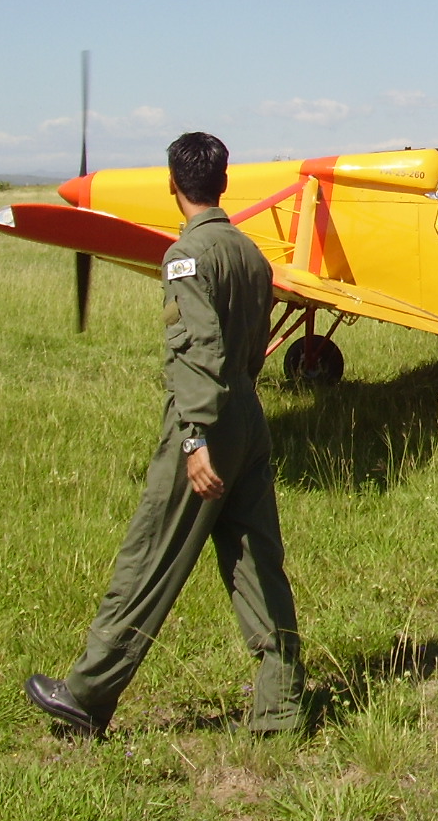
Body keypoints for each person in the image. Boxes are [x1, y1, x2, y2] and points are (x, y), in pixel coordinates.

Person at [25, 133, 305, 737]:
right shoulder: (253, 254)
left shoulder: (187, 255)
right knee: (258, 562)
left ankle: (86, 693)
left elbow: (195, 350)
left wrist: (194, 438)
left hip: (207, 421)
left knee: (150, 555)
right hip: (250, 417)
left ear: (171, 185)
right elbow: (248, 347)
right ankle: (281, 707)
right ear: (224, 183)